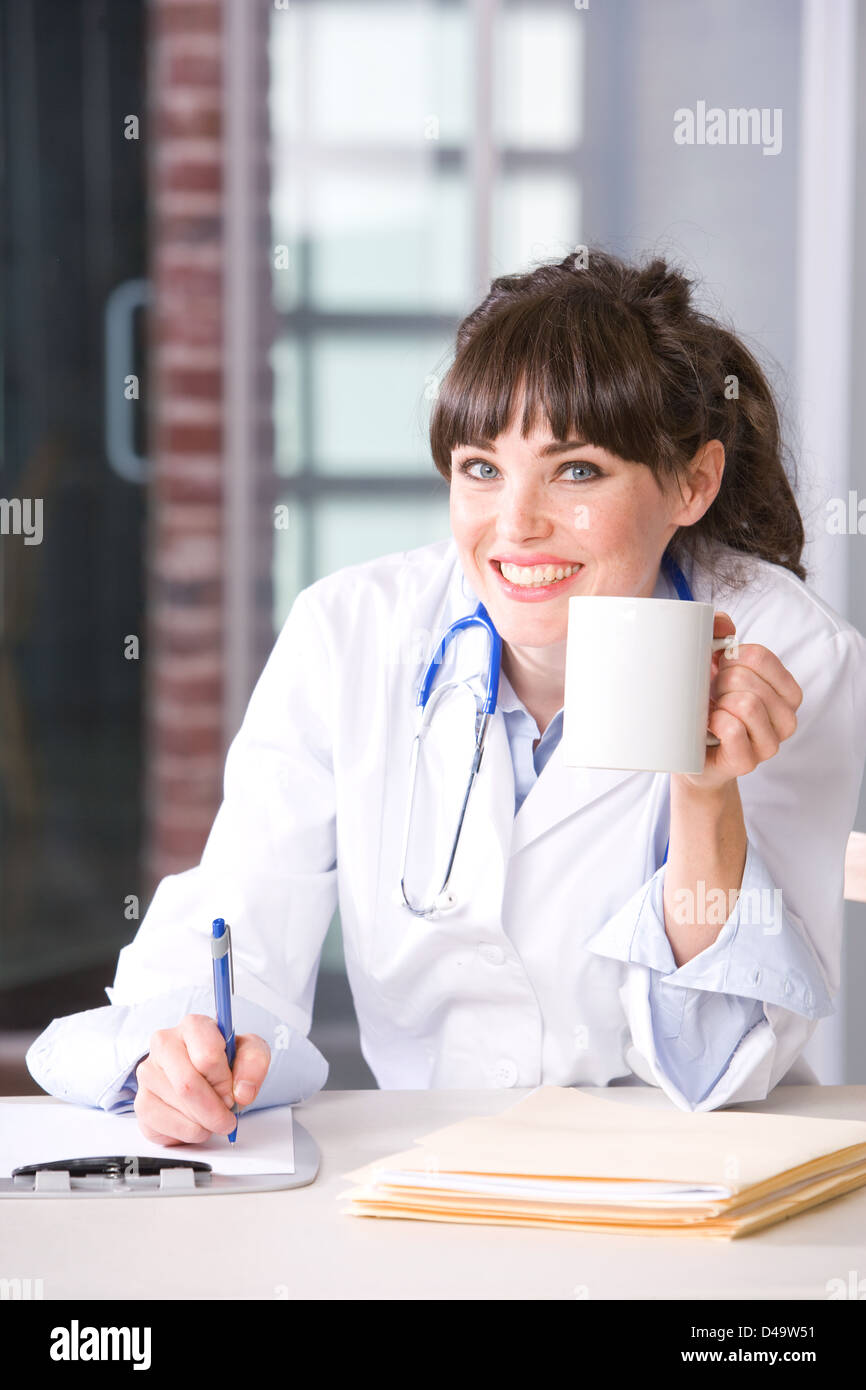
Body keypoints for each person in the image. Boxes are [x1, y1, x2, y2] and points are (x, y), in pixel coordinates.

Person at [27, 248, 866, 1142]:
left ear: (691, 483)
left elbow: (725, 1063)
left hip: (691, 1180)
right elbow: (239, 928)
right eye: (481, 468)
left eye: (576, 470)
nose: (516, 525)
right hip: (431, 1174)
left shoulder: (785, 652)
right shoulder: (351, 631)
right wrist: (186, 1051)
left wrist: (705, 791)